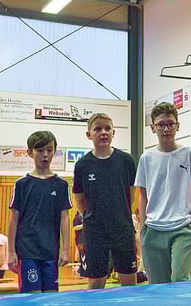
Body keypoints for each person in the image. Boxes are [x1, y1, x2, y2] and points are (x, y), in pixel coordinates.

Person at [134, 103, 191, 284]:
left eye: (170, 124)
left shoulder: (189, 154)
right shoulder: (146, 158)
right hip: (153, 229)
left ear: (178, 126)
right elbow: (142, 194)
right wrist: (142, 230)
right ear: (152, 128)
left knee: (181, 279)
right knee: (157, 285)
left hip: (184, 227)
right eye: (161, 125)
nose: (166, 129)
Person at [72, 113, 138, 290]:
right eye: (98, 129)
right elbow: (80, 200)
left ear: (113, 133)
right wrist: (93, 217)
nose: (103, 132)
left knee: (129, 282)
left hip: (122, 230)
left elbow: (131, 195)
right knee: (95, 283)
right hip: (95, 233)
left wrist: (120, 215)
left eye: (107, 128)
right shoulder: (83, 165)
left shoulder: (126, 161)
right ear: (89, 135)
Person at [6, 130, 72, 292]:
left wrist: (65, 250)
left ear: (54, 152)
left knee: (51, 296)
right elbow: (14, 219)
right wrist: (11, 252)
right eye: (40, 150)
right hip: (28, 251)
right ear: (30, 152)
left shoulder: (61, 184)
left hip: (51, 251)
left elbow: (64, 218)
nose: (45, 155)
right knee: (31, 297)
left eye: (49, 150)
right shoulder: (22, 184)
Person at [72, 211, 86, 276]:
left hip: (85, 239)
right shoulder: (77, 218)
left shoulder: (84, 217)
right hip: (79, 239)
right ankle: (81, 270)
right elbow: (75, 227)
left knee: (84, 254)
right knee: (81, 254)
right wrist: (84, 225)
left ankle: (83, 269)